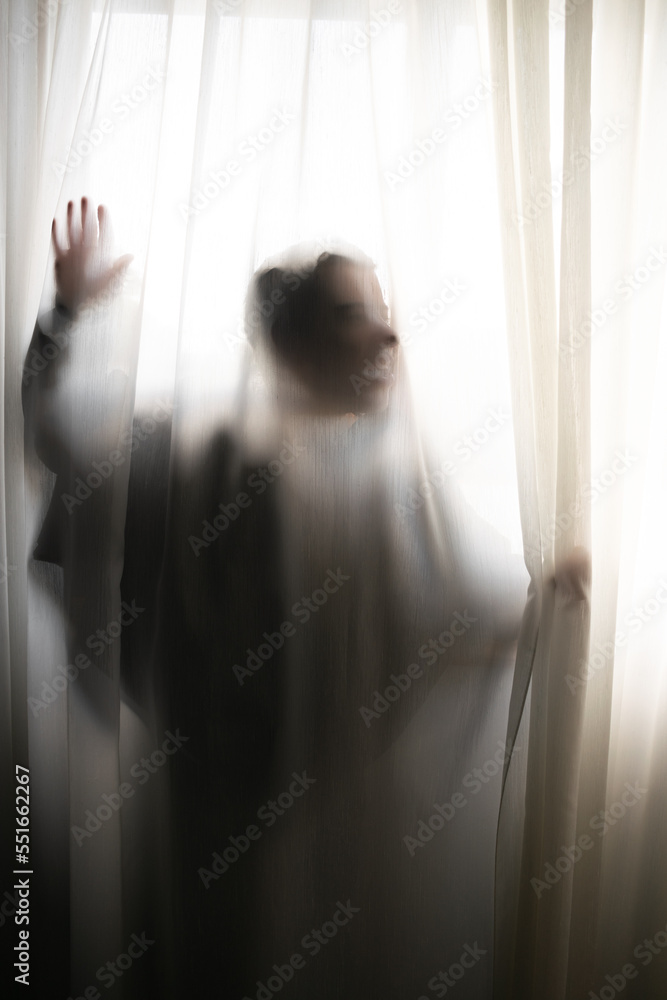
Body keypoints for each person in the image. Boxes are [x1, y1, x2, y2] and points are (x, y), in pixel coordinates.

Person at [24, 198, 587, 999]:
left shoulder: (392, 489)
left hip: (336, 862)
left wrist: (551, 590)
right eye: (359, 315)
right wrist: (67, 312)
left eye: (388, 315)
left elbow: (460, 616)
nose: (391, 338)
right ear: (291, 341)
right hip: (203, 854)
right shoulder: (188, 445)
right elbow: (56, 446)